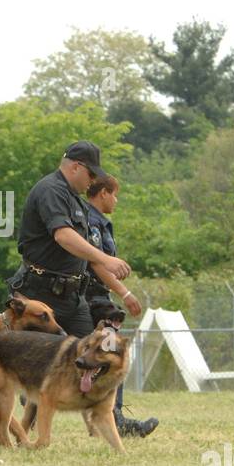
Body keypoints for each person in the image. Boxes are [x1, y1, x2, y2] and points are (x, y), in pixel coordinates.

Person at [9, 140, 132, 339]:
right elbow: (63, 235)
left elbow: (87, 253)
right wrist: (106, 259)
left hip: (73, 298)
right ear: (76, 167)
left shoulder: (76, 200)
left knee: (88, 357)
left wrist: (123, 292)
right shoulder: (51, 190)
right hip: (40, 295)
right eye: (91, 174)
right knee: (36, 362)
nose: (93, 181)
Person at [83, 174, 158, 437]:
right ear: (103, 193)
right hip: (91, 297)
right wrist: (124, 293)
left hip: (96, 295)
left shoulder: (98, 221)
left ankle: (107, 419)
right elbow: (96, 263)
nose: (116, 200)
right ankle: (115, 422)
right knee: (113, 354)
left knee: (96, 356)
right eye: (114, 194)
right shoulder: (91, 221)